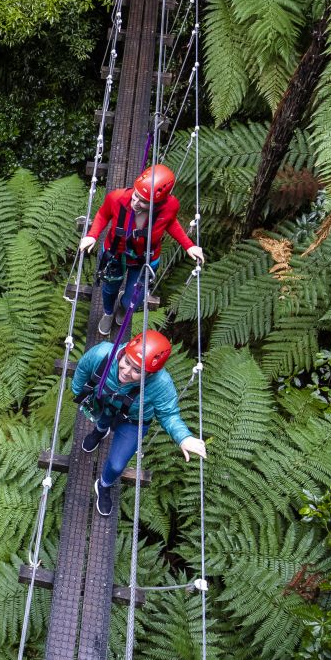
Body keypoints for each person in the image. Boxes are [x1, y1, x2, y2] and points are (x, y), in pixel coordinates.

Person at [71, 330, 207, 516]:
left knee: (117, 465)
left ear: (150, 373)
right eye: (127, 362)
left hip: (133, 420)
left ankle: (103, 485)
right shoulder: (102, 354)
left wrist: (183, 437)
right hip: (104, 401)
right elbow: (83, 369)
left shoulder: (161, 384)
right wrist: (79, 392)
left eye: (137, 371)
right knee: (102, 420)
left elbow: (168, 414)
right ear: (124, 352)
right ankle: (100, 432)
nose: (126, 372)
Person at [78, 164, 205, 336]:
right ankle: (108, 313)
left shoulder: (170, 206)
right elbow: (102, 215)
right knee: (109, 289)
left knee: (135, 299)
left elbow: (170, 222)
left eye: (144, 202)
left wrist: (189, 245)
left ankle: (123, 306)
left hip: (145, 258)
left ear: (158, 203)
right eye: (136, 196)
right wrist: (92, 235)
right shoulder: (117, 198)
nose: (136, 203)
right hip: (115, 254)